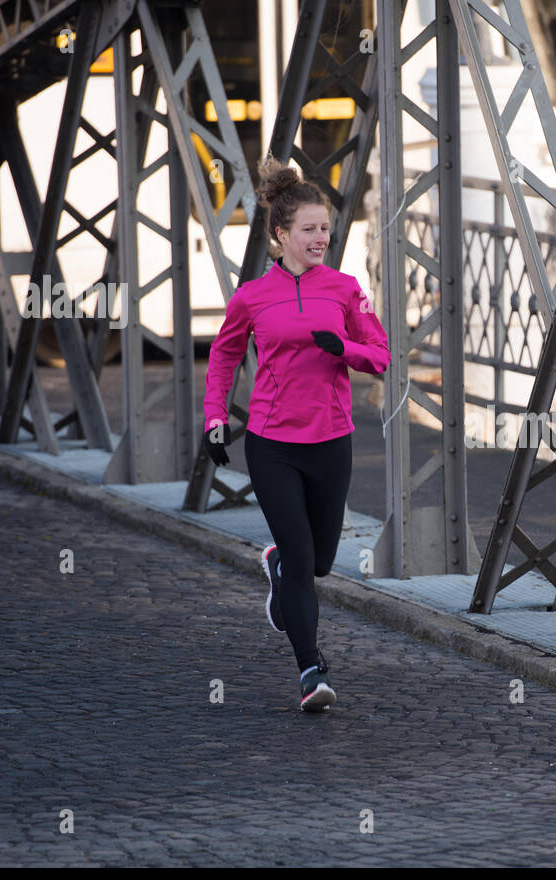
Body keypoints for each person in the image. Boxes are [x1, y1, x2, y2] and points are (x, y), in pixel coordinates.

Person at [201, 154, 389, 712]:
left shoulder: (346, 289)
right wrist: (216, 418)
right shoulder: (253, 297)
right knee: (305, 558)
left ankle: (279, 566)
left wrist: (345, 349)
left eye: (325, 229)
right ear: (280, 235)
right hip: (272, 443)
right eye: (309, 229)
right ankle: (311, 670)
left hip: (331, 441)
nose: (320, 238)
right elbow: (224, 354)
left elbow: (380, 358)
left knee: (320, 562)